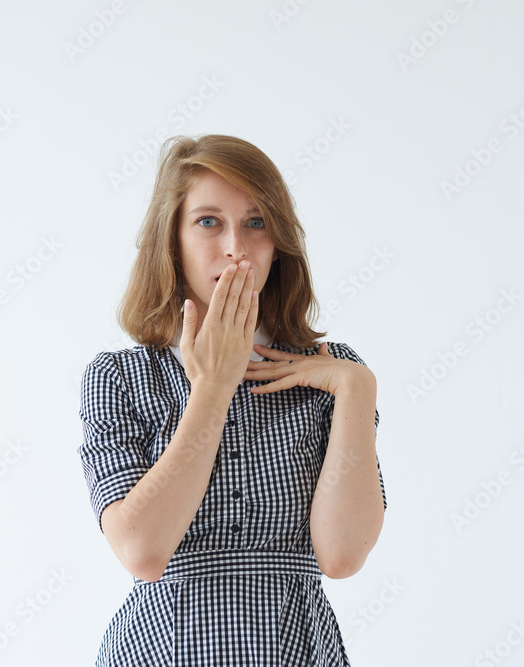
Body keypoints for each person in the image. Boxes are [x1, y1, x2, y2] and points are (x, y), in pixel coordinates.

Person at [77, 134, 386, 666]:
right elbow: (142, 551)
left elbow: (342, 555)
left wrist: (358, 388)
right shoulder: (121, 377)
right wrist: (213, 389)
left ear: (279, 240)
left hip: (298, 649)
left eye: (256, 222)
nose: (236, 249)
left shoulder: (333, 372)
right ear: (170, 238)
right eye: (208, 221)